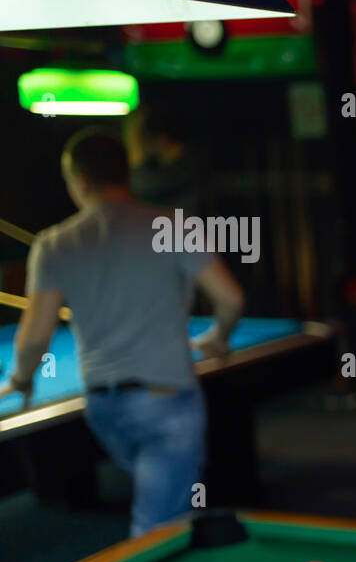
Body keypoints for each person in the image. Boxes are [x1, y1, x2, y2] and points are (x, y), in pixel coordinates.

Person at [0, 129, 244, 537]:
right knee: (156, 526)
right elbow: (231, 299)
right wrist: (220, 335)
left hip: (105, 410)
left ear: (78, 179)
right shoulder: (172, 226)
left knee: (161, 504)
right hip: (166, 401)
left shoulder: (53, 244)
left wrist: (21, 381)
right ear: (125, 172)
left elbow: (34, 337)